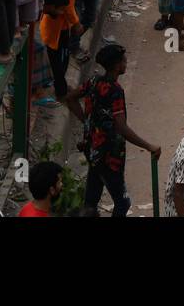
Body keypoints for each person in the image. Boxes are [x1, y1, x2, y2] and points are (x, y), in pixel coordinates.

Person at [63, 43, 160, 217]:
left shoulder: (93, 81)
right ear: (116, 65)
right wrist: (148, 146)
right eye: (123, 60)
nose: (126, 62)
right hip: (109, 154)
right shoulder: (115, 91)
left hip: (92, 149)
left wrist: (87, 122)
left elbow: (70, 99)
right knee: (122, 203)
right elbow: (121, 127)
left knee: (91, 199)